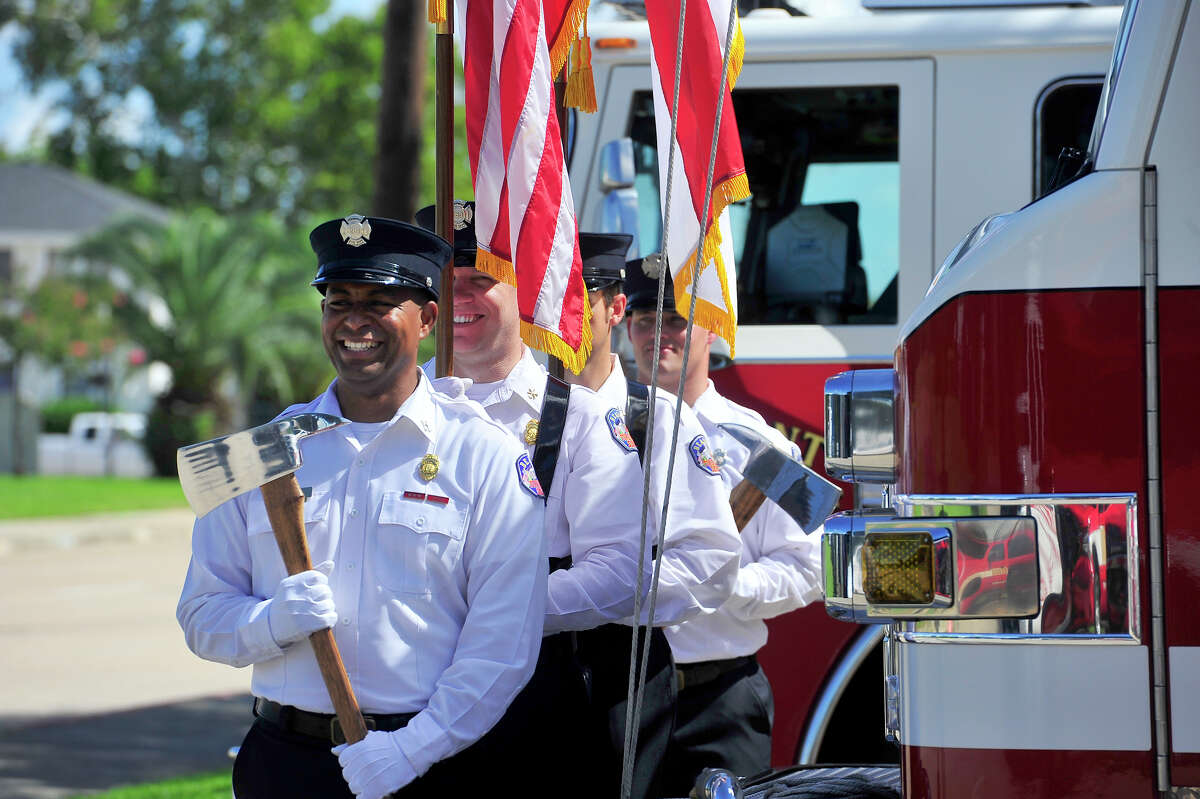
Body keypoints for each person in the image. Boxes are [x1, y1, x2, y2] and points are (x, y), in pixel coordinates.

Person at [176, 215, 547, 799]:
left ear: (427, 318)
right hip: (285, 763)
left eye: (379, 302)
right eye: (338, 301)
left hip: (432, 762)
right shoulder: (266, 451)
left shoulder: (483, 456)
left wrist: (410, 751)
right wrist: (270, 622)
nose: (354, 321)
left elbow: (502, 645)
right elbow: (202, 615)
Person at [415, 202, 652, 795]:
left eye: (481, 279)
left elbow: (623, 573)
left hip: (532, 706)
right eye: (447, 282)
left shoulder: (578, 419)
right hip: (406, 697)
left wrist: (494, 613)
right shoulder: (394, 410)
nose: (461, 297)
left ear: (526, 292)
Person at [622, 255, 825, 795]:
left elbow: (811, 563)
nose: (658, 334)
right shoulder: (596, 433)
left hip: (719, 701)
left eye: (677, 320)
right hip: (622, 701)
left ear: (712, 325)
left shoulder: (765, 445)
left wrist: (728, 585)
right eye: (645, 319)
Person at [567, 232, 741, 799]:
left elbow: (713, 562)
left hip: (632, 673)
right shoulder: (506, 420)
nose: (658, 332)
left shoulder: (659, 422)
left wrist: (604, 592)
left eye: (579, 297)